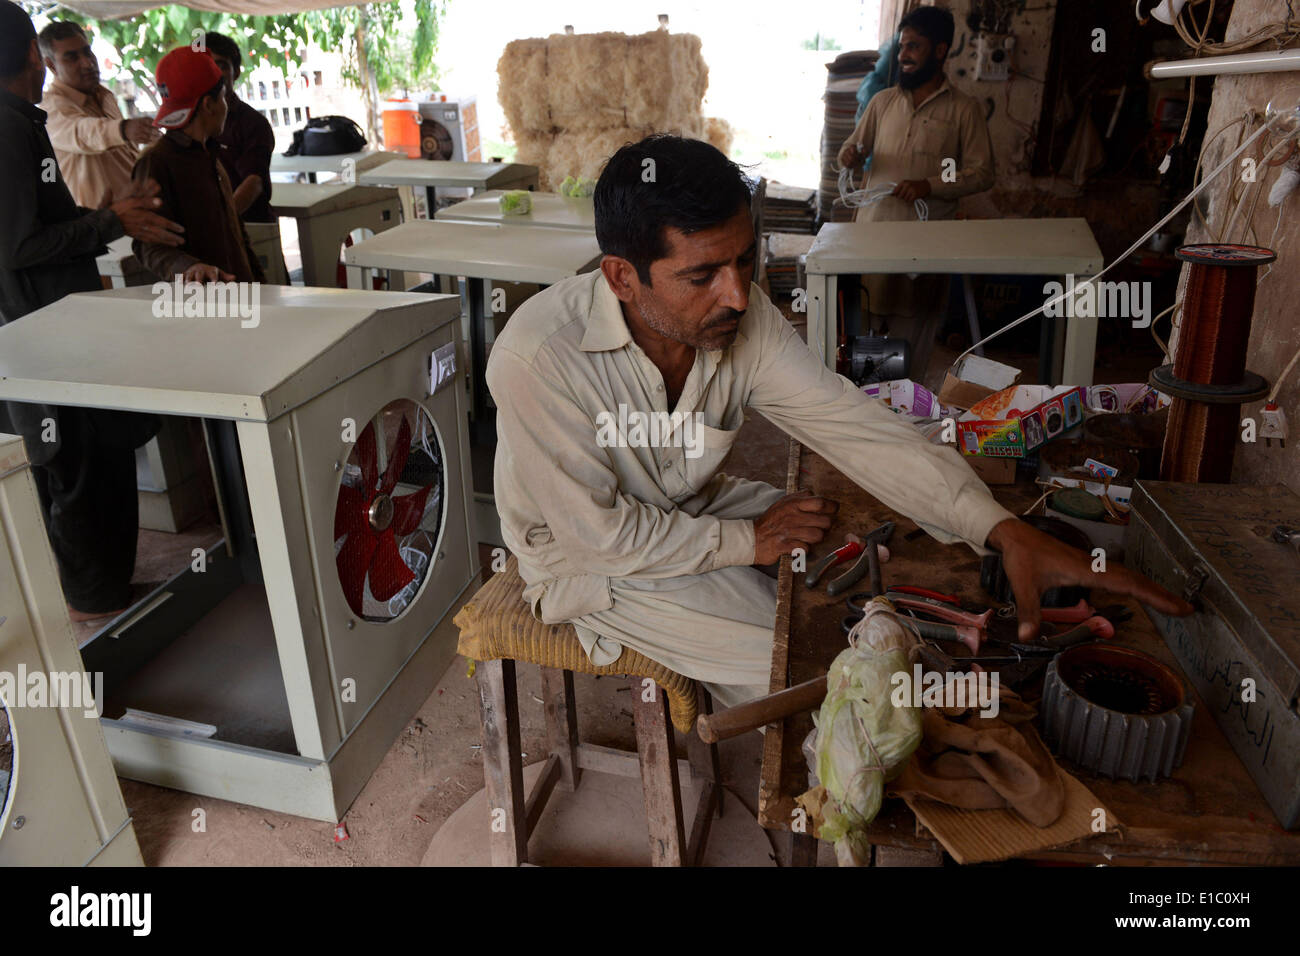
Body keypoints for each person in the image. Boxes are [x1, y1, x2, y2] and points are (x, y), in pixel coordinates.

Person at [486, 135, 1192, 709]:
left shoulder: (743, 317)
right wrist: (746, 541)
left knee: (863, 555)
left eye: (746, 257)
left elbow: (852, 427)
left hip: (683, 505)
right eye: (703, 276)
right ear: (620, 278)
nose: (739, 293)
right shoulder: (537, 358)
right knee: (815, 659)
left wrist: (997, 527)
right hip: (585, 560)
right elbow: (601, 538)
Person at [0, 0, 185, 621]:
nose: (82, 63)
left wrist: (115, 215)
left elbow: (50, 222)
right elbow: (20, 245)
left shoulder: (22, 120)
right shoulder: (15, 126)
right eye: (67, 54)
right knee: (72, 464)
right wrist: (111, 220)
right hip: (39, 331)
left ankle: (107, 591)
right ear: (37, 57)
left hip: (64, 319)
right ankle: (94, 604)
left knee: (103, 449)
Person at [838, 6, 995, 381]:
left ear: (940, 51)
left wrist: (930, 185)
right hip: (874, 237)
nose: (904, 55)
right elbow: (853, 149)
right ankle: (872, 409)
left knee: (910, 336)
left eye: (915, 47)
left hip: (924, 243)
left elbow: (982, 173)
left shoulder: (963, 109)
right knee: (870, 330)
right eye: (902, 46)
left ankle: (902, 413)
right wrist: (850, 155)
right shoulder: (882, 102)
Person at [131, 45, 265, 284]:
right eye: (223, 97)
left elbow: (236, 234)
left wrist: (260, 283)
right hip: (203, 307)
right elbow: (148, 246)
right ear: (208, 105)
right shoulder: (157, 164)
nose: (226, 106)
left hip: (241, 298)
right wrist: (191, 267)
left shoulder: (210, 154)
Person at [37, 20, 159, 210]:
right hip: (98, 230)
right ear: (51, 66)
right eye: (72, 57)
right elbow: (83, 133)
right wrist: (124, 129)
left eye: (87, 52)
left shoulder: (104, 96)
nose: (87, 63)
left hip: (136, 219)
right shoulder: (50, 108)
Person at [204, 32, 275, 223]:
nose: (214, 73)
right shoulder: (189, 123)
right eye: (206, 66)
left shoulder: (253, 124)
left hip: (249, 227)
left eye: (221, 65)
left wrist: (222, 223)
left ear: (236, 72)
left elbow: (253, 182)